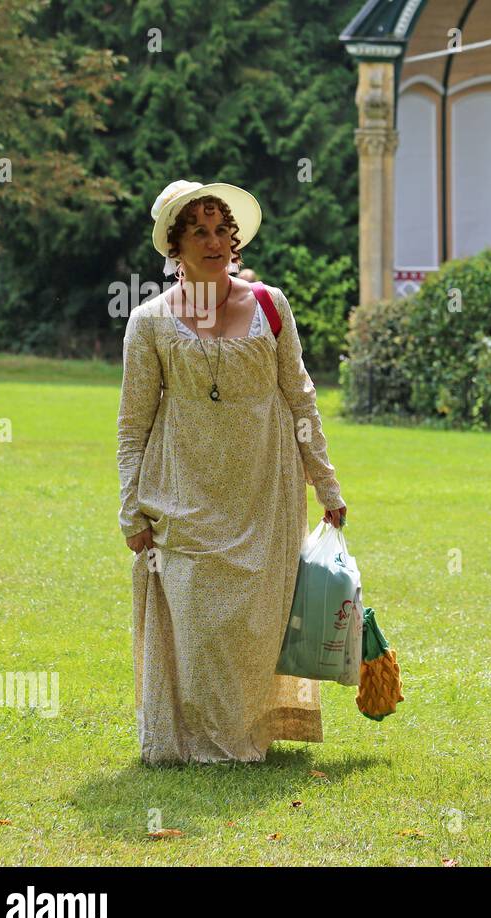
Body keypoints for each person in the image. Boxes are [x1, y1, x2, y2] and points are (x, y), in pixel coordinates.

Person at [117, 179, 348, 763]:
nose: (215, 241)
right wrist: (130, 508)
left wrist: (325, 479)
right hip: (181, 486)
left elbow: (300, 396)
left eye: (223, 229)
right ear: (175, 246)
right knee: (198, 621)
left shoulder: (270, 305)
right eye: (200, 231)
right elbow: (132, 423)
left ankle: (245, 735)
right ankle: (193, 739)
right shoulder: (148, 322)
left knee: (251, 623)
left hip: (265, 485)